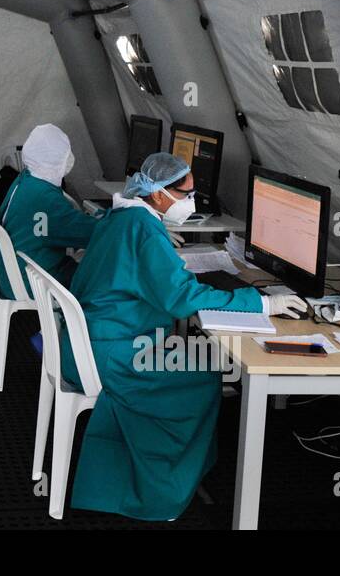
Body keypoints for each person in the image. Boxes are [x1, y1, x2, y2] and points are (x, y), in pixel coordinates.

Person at [61, 152, 307, 521]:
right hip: (112, 353)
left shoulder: (125, 216)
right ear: (159, 194)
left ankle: (184, 466)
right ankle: (165, 488)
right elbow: (181, 298)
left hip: (90, 341)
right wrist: (261, 303)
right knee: (203, 376)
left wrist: (159, 239)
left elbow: (148, 271)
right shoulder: (144, 229)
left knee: (199, 361)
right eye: (186, 193)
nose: (192, 201)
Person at [0, 124, 98, 301]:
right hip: (35, 280)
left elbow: (48, 227)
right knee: (104, 276)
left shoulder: (25, 180)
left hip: (13, 275)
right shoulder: (45, 199)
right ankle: (76, 327)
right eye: (66, 154)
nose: (69, 159)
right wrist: (118, 220)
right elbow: (89, 234)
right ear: (55, 159)